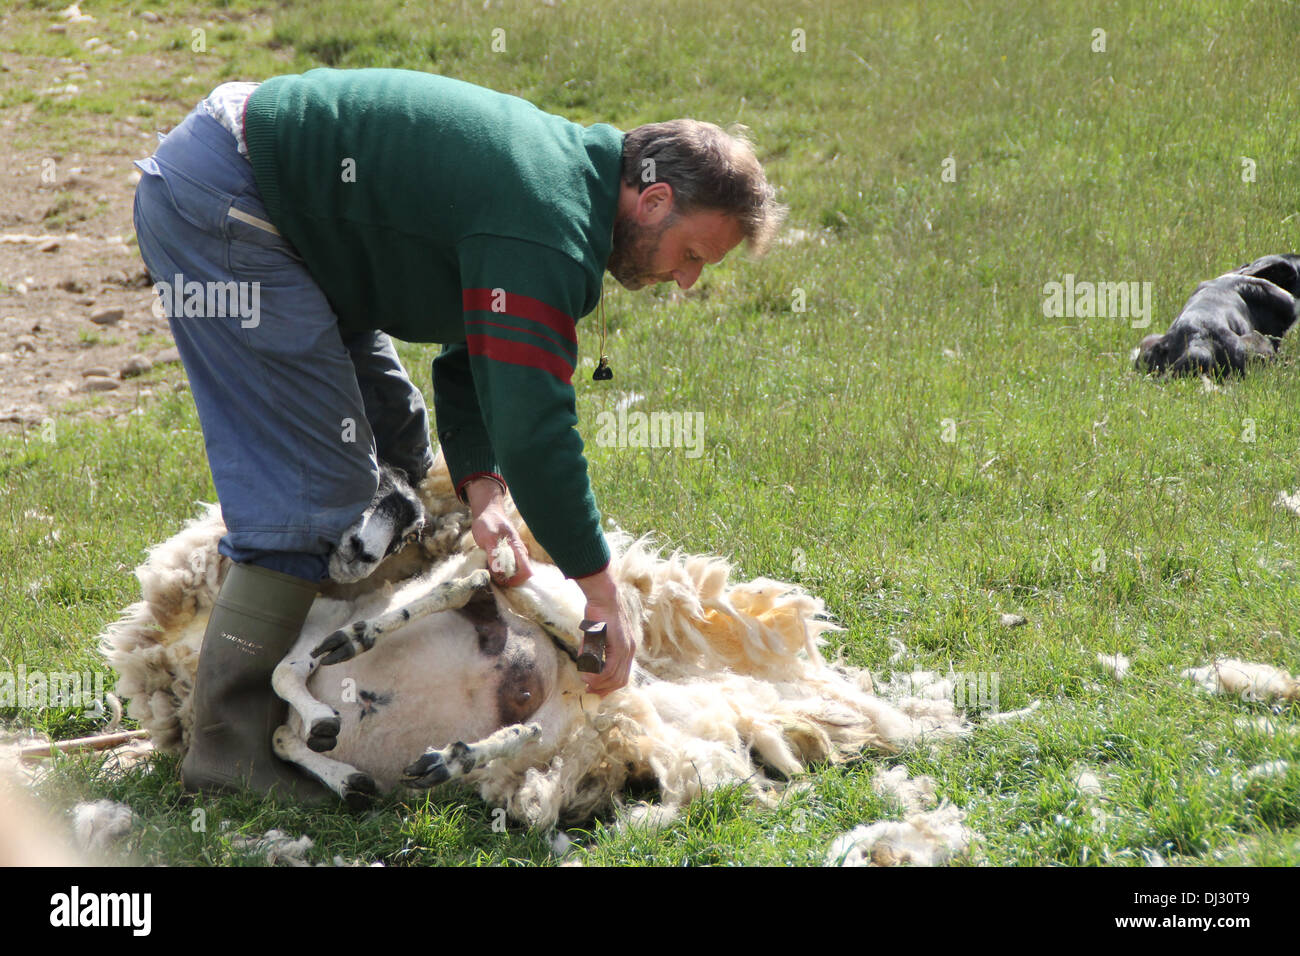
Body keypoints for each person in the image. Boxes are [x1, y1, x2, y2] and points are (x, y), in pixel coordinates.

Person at [131, 67, 784, 799]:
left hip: (281, 209)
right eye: (692, 254)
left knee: (398, 446)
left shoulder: (567, 189)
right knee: (320, 487)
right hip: (232, 206)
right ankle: (228, 752)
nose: (688, 280)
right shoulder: (548, 224)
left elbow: (474, 350)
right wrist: (602, 594)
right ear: (655, 198)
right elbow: (538, 431)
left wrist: (484, 490)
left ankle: (348, 660)